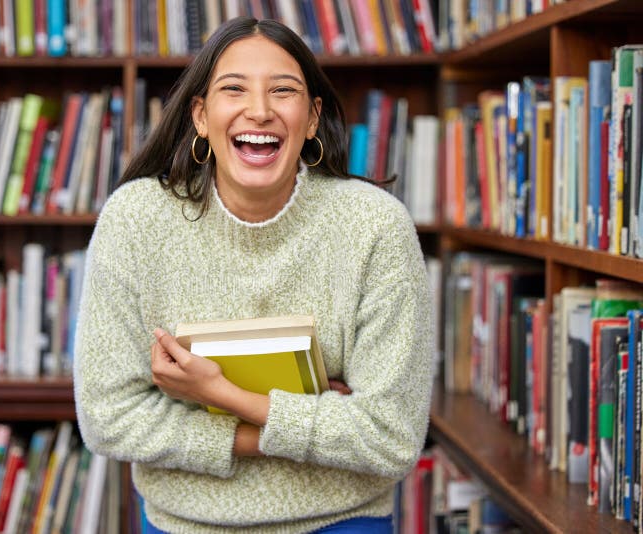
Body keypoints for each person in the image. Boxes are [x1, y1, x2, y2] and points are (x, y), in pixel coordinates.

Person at [74, 16, 433, 534]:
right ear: (201, 115)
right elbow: (108, 419)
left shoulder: (375, 225)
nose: (259, 110)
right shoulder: (136, 219)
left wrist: (223, 396)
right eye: (233, 89)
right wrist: (299, 424)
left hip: (339, 523)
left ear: (312, 118)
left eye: (282, 91)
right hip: (182, 524)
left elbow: (391, 437)